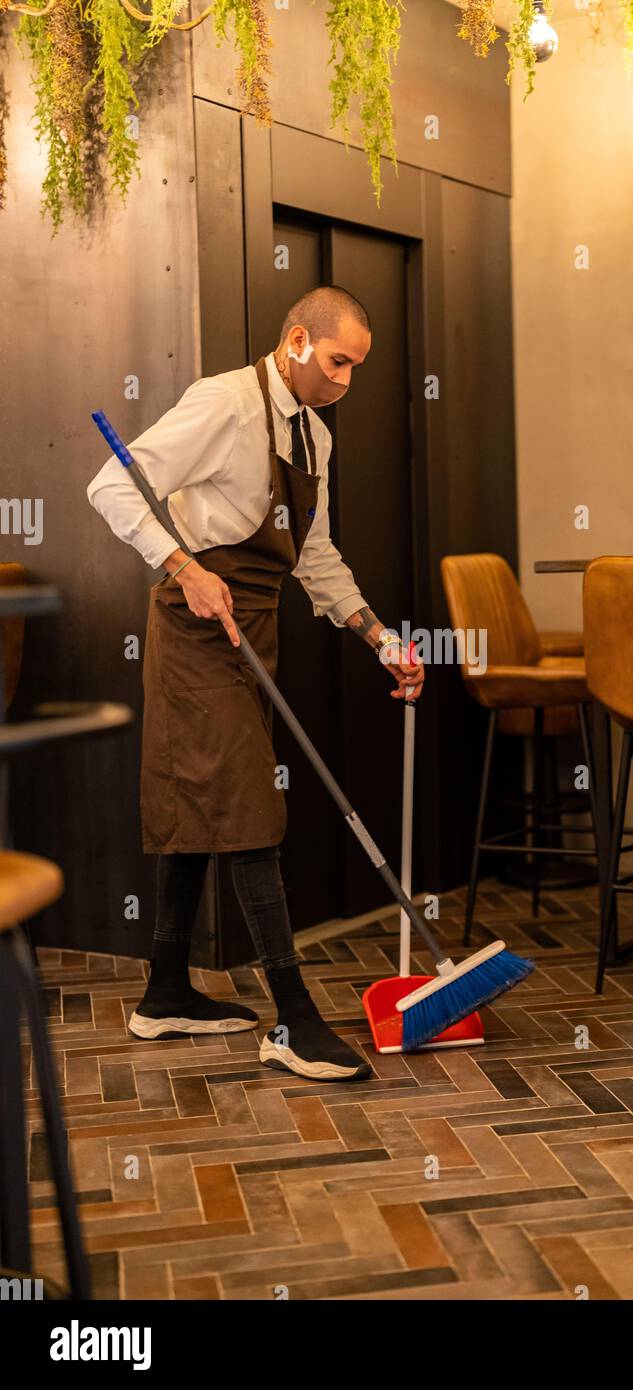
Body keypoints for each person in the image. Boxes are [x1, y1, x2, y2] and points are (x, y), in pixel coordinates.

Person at [87, 284, 424, 1082]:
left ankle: (165, 991)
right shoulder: (224, 403)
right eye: (339, 362)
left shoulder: (315, 439)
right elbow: (109, 485)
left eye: (355, 370)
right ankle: (294, 1020)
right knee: (246, 804)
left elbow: (314, 556)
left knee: (208, 797)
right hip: (195, 623)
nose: (345, 382)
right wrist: (183, 566)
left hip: (256, 627)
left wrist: (376, 635)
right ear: (299, 340)